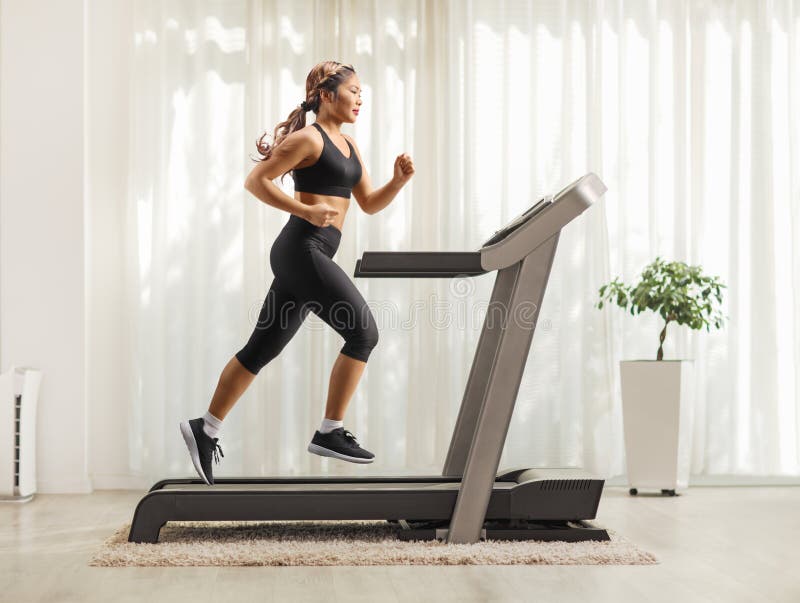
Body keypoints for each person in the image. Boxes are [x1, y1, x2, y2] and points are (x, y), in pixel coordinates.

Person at [180, 61, 415, 485]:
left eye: (363, 93)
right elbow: (256, 181)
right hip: (301, 248)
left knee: (260, 349)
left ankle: (205, 428)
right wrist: (305, 209)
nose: (361, 99)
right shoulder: (309, 138)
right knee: (364, 333)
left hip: (313, 253)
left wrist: (396, 182)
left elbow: (369, 204)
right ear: (327, 94)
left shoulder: (350, 145)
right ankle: (329, 432)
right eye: (354, 91)